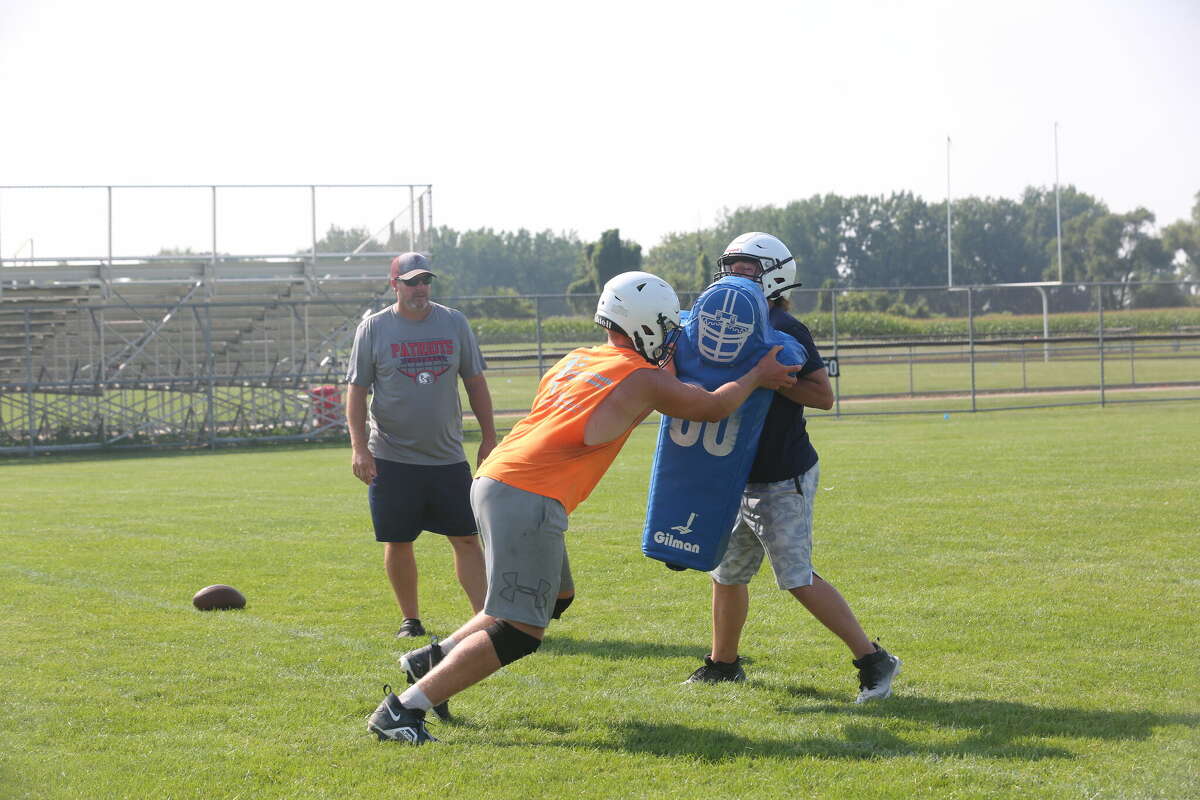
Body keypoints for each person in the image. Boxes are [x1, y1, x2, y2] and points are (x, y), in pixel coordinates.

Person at [367, 270, 802, 743]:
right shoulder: (641, 378)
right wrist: (758, 374)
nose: (674, 335)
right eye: (668, 326)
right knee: (520, 630)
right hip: (527, 492)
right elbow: (713, 407)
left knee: (554, 596)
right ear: (648, 325)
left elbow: (642, 385)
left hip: (498, 477)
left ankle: (432, 659)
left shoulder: (579, 358)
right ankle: (402, 710)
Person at [682, 232, 901, 703]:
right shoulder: (719, 319)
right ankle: (724, 665)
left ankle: (874, 659)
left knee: (796, 577)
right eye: (732, 267)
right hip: (735, 471)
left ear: (776, 275)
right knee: (726, 573)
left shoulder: (787, 327)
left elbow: (822, 396)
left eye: (749, 268)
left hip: (781, 474)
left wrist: (774, 381)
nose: (737, 276)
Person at [346, 252, 497, 640]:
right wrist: (359, 448)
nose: (420, 289)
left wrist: (489, 436)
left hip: (447, 456)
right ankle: (410, 620)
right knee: (398, 540)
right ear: (394, 284)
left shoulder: (453, 322)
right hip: (391, 456)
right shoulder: (375, 328)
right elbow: (357, 390)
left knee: (466, 537)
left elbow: (475, 381)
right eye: (411, 281)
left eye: (425, 280)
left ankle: (484, 619)